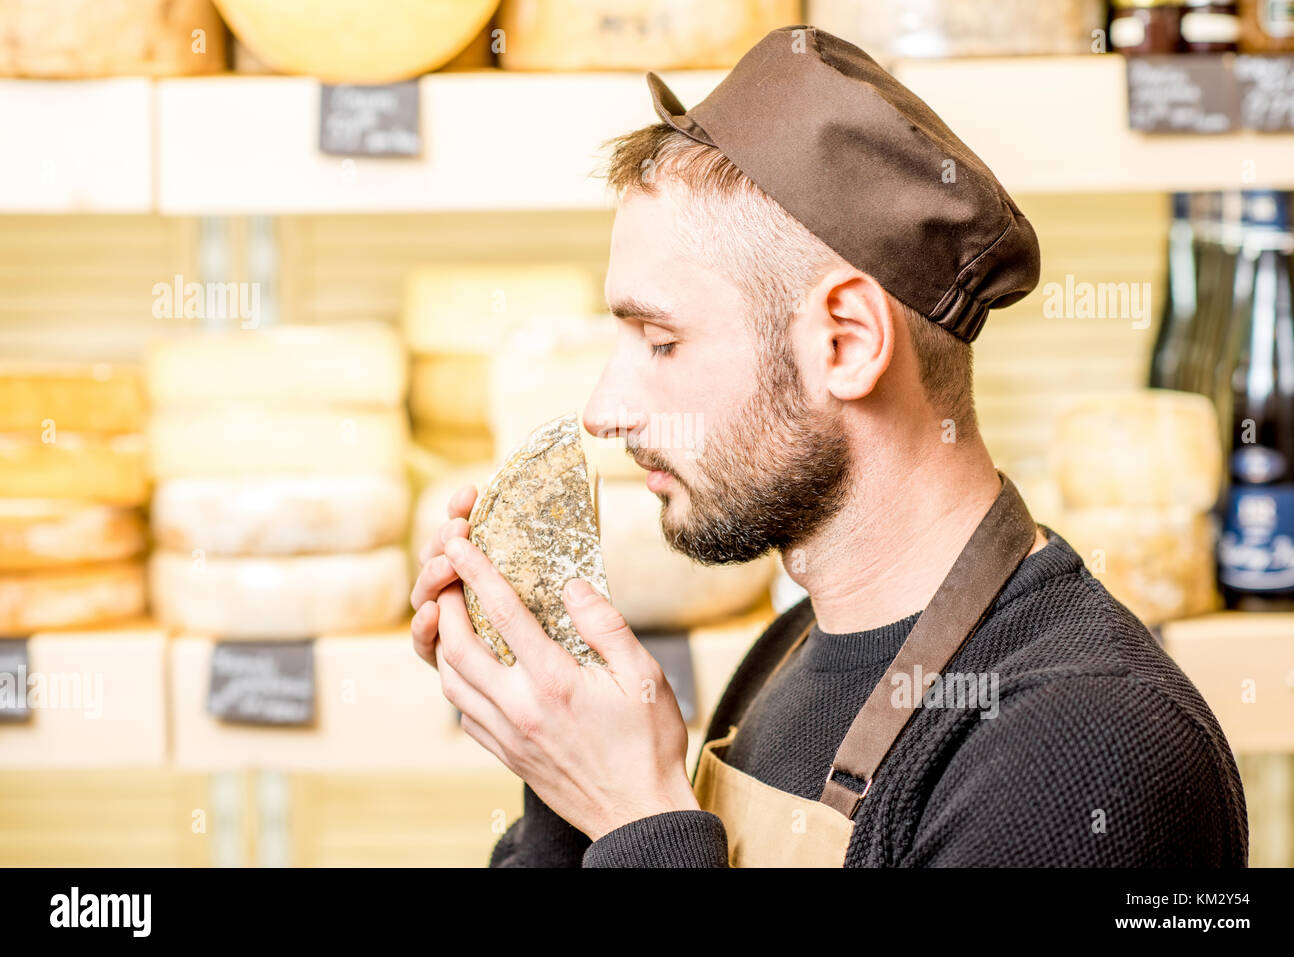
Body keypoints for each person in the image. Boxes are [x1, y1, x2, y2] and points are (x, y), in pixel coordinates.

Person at [410, 25, 1248, 867]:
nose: (604, 409)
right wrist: (567, 766)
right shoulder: (790, 649)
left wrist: (640, 823)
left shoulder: (1087, 750)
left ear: (845, 342)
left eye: (660, 341)